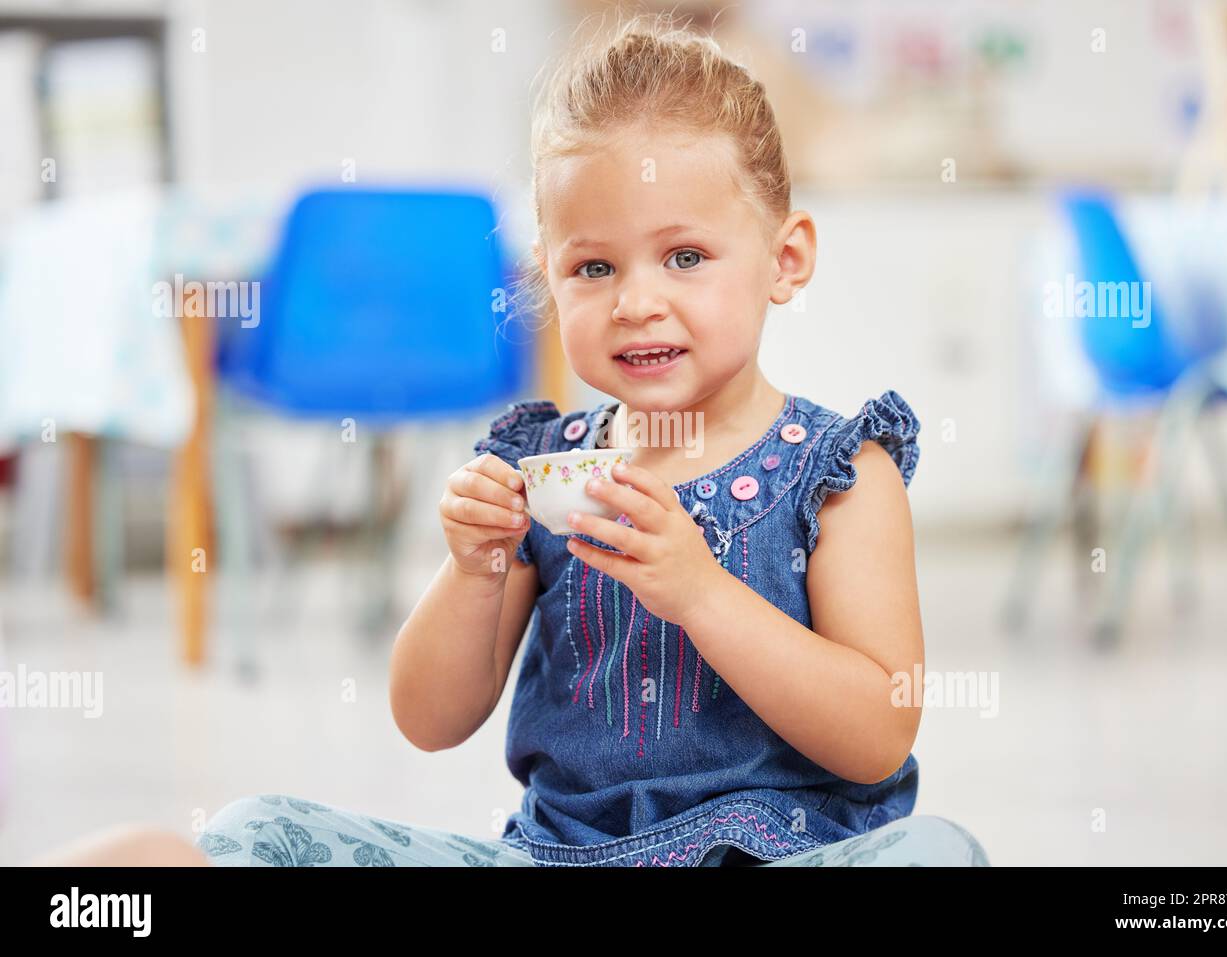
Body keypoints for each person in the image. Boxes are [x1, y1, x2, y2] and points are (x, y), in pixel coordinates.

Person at [194, 12, 989, 868]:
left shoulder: (839, 473)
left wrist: (700, 593)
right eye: (594, 268)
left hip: (770, 857)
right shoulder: (540, 469)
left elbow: (876, 733)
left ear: (785, 259)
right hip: (557, 858)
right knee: (252, 831)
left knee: (936, 852)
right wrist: (473, 570)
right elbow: (428, 720)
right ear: (549, 275)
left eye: (684, 256)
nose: (636, 301)